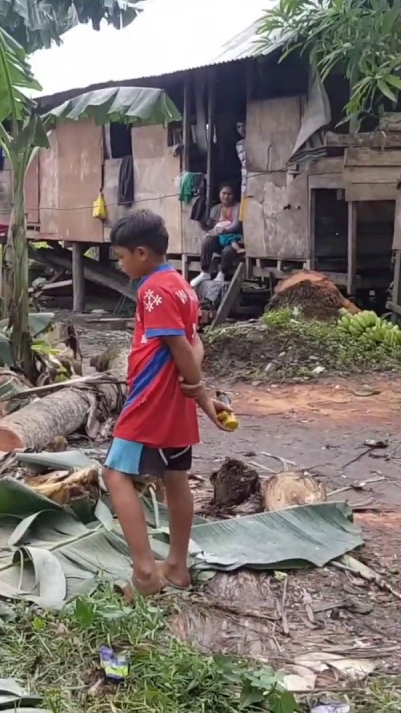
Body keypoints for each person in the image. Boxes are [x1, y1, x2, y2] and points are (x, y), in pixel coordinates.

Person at [103, 210, 233, 598]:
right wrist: (199, 396)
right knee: (175, 475)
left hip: (151, 397)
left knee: (115, 474)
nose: (121, 263)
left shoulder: (152, 291)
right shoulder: (180, 285)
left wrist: (199, 391)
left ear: (141, 253)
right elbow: (196, 343)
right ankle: (176, 566)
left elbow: (179, 346)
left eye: (122, 256)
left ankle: (145, 573)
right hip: (175, 400)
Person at [192, 183, 244, 286]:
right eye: (224, 193)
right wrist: (211, 231)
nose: (226, 196)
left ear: (234, 195)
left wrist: (224, 229)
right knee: (207, 241)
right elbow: (211, 226)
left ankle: (222, 273)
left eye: (229, 194)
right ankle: (204, 272)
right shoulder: (215, 209)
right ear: (219, 194)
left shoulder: (238, 206)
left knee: (227, 251)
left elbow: (236, 225)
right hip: (219, 238)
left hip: (234, 240)